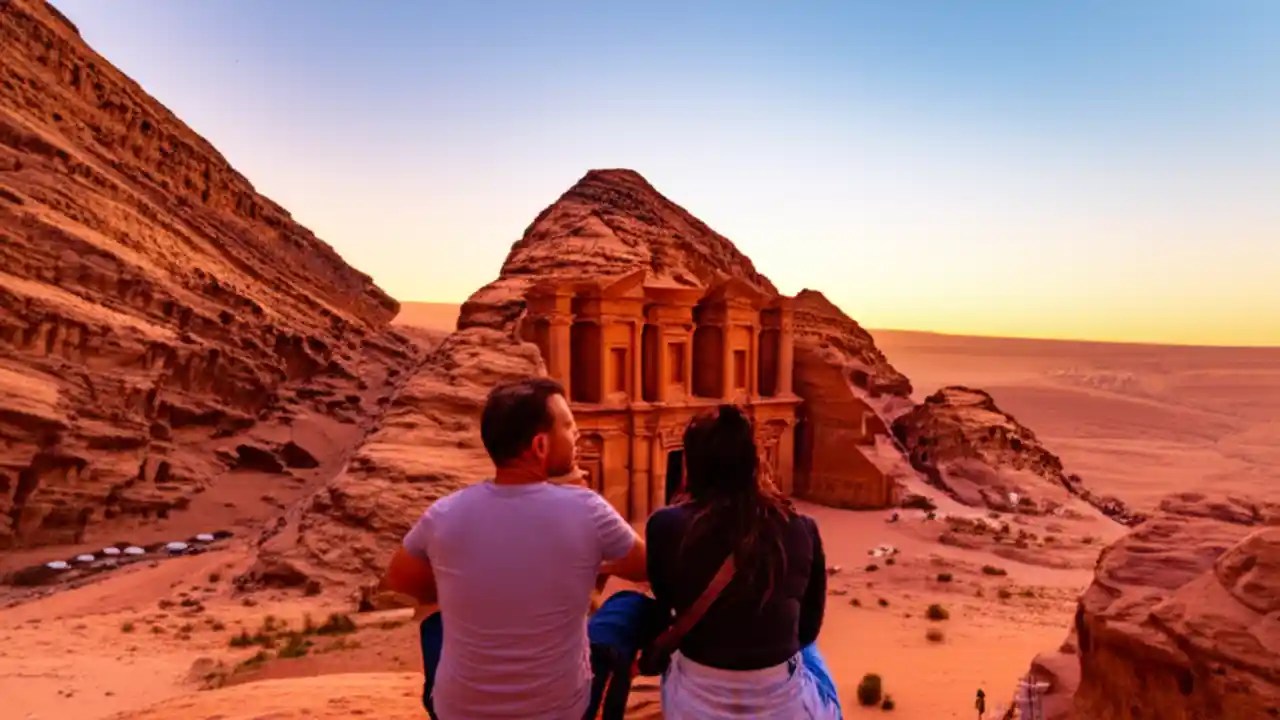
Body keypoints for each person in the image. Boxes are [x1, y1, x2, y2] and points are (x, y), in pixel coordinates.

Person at [378, 377, 653, 719]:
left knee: (435, 618)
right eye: (568, 426)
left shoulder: (445, 513)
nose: (577, 434)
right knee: (629, 605)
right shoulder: (587, 509)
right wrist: (591, 566)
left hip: (457, 712)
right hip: (561, 712)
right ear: (540, 446)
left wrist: (478, 582)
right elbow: (646, 567)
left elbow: (401, 579)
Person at [645, 405, 843, 719]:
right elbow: (806, 631)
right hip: (784, 705)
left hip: (693, 702)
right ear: (755, 461)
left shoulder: (664, 527)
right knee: (812, 655)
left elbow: (667, 599)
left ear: (691, 465)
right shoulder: (801, 528)